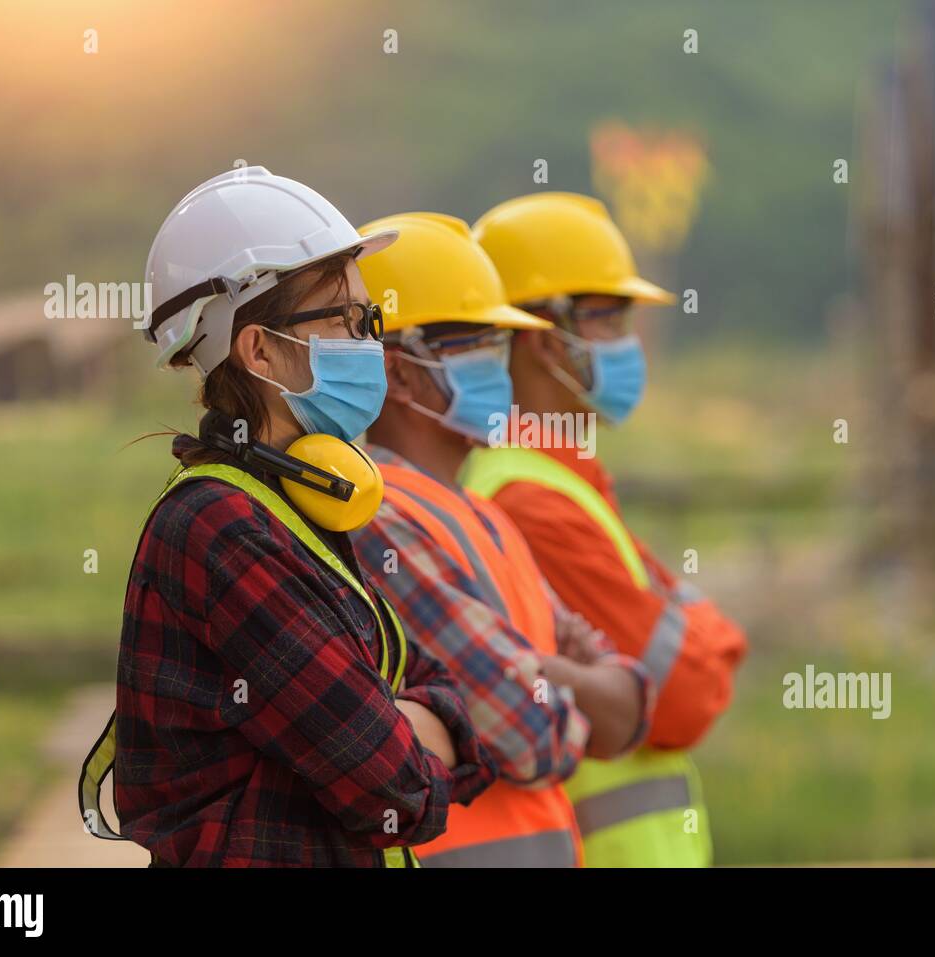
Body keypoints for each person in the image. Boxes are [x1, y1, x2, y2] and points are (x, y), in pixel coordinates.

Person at [79, 168, 494, 867]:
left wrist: (410, 720)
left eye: (371, 320)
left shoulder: (295, 508)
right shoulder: (223, 529)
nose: (368, 341)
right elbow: (400, 790)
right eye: (347, 320)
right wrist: (409, 723)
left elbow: (451, 701)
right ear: (259, 348)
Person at [348, 212, 654, 866]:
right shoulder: (379, 516)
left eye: (498, 341)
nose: (501, 367)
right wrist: (566, 677)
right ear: (399, 375)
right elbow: (530, 732)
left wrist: (548, 673)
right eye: (476, 344)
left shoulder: (483, 515)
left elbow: (630, 709)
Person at [466, 192, 748, 867]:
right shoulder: (529, 500)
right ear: (542, 336)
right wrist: (699, 623)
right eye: (611, 318)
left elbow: (703, 658)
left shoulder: (566, 479)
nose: (631, 343)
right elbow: (686, 696)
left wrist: (698, 637)